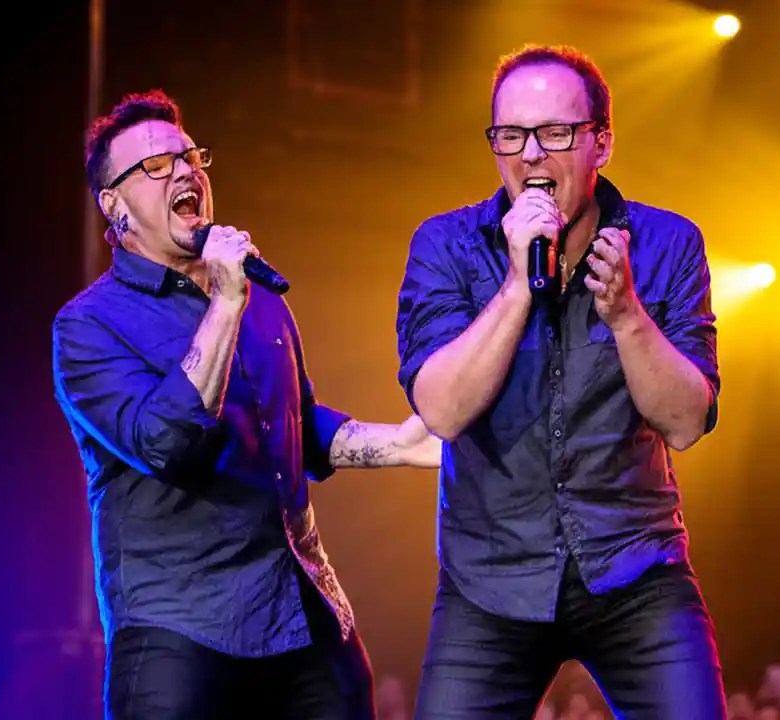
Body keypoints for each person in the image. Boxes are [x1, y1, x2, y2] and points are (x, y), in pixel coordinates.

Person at [52, 88, 441, 718]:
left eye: (189, 158)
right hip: (179, 631)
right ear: (115, 206)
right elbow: (166, 440)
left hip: (300, 613)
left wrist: (399, 442)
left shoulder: (262, 302)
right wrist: (225, 304)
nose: (183, 171)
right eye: (155, 166)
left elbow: (294, 425)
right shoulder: (89, 326)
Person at [394, 44, 726, 717]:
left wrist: (629, 317)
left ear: (601, 142)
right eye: (511, 135)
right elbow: (441, 410)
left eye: (555, 133)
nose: (530, 155)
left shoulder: (666, 245)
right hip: (490, 581)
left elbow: (688, 423)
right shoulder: (445, 246)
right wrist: (518, 284)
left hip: (634, 569)